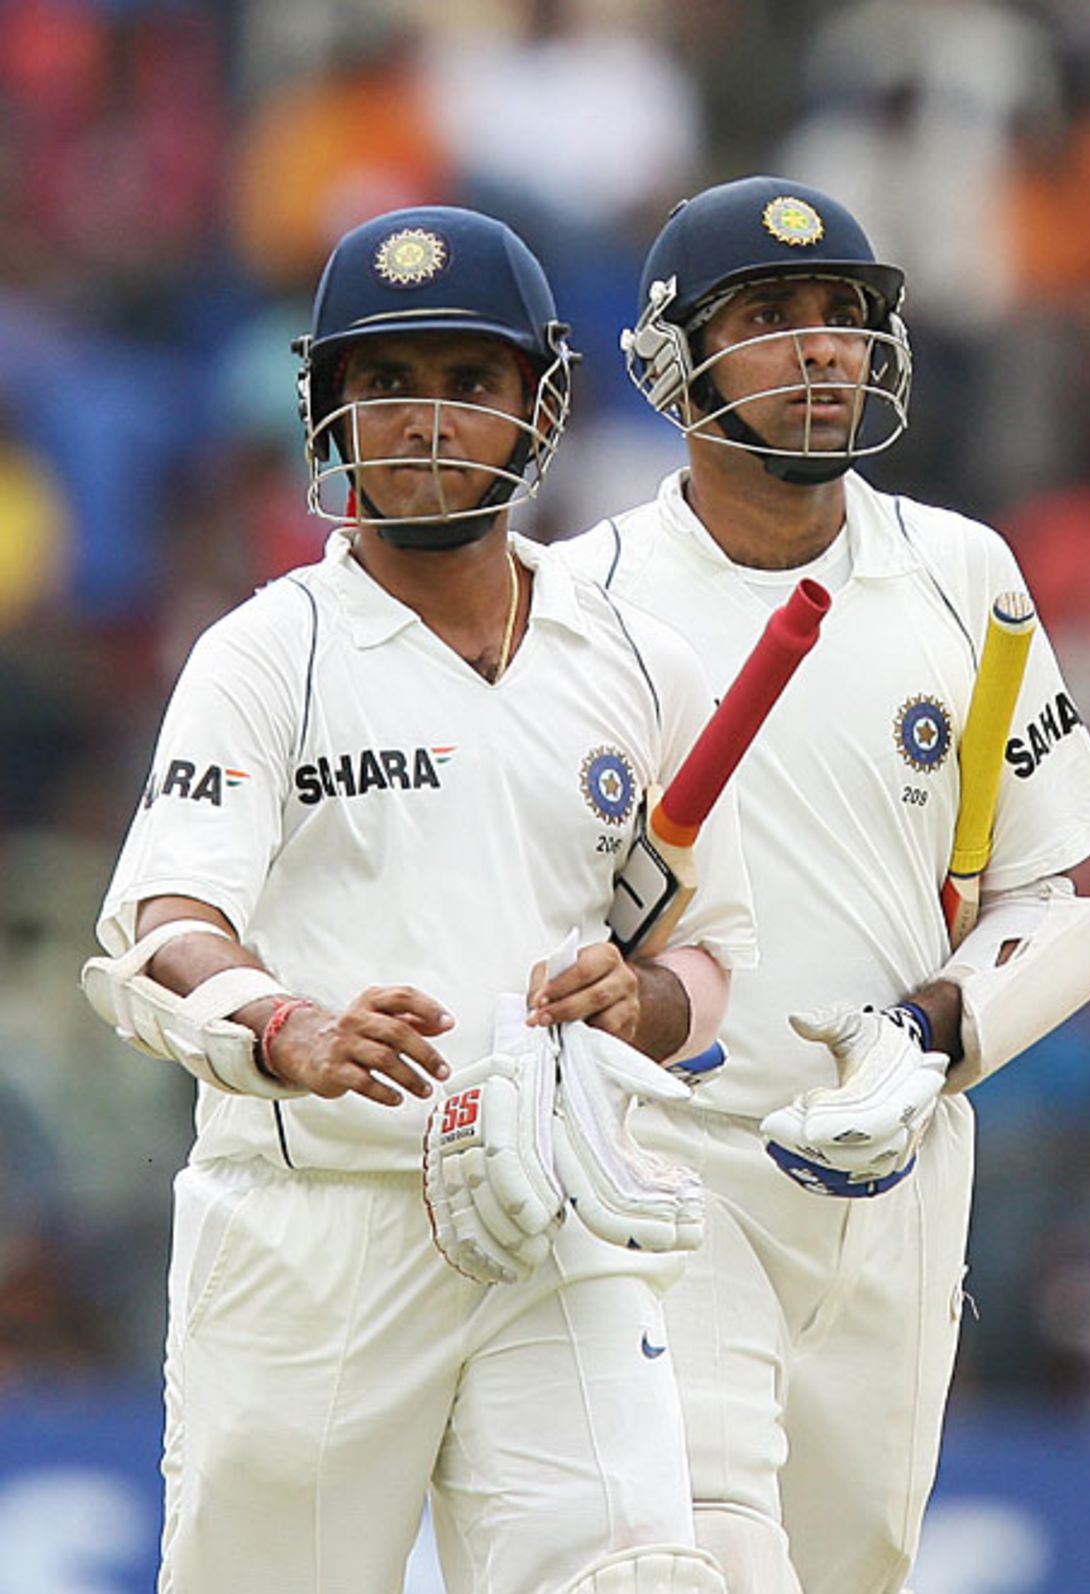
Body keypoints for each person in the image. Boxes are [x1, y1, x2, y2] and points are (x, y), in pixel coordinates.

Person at [80, 205, 756, 1594]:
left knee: (635, 1578)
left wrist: (644, 997)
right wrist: (288, 1024)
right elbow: (164, 928)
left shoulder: (638, 659)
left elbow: (710, 955)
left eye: (469, 384)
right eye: (386, 385)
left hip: (560, 1211)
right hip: (313, 1227)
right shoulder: (267, 653)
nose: (429, 421)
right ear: (327, 410)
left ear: (536, 406)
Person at [562, 176, 1090, 1594]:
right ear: (671, 360)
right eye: (769, 318)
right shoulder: (584, 600)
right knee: (698, 1557)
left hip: (895, 1179)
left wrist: (932, 1033)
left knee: (851, 1566)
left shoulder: (962, 572)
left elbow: (1057, 905)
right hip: (666, 1169)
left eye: (844, 317)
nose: (822, 348)